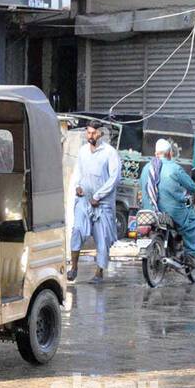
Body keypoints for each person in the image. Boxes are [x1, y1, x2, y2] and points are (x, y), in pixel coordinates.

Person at [139, 138, 195, 272]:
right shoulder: (175, 168)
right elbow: (191, 186)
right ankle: (191, 255)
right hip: (171, 212)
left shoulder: (146, 168)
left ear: (155, 153)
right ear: (170, 153)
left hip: (149, 211)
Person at [68, 120, 121, 282]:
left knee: (102, 238)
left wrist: (98, 196)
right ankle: (74, 268)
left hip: (102, 203)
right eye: (88, 132)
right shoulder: (83, 151)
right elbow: (78, 171)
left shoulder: (110, 153)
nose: (90, 136)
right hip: (84, 201)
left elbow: (114, 178)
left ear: (100, 134)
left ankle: (99, 272)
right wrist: (77, 186)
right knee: (77, 230)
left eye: (93, 133)